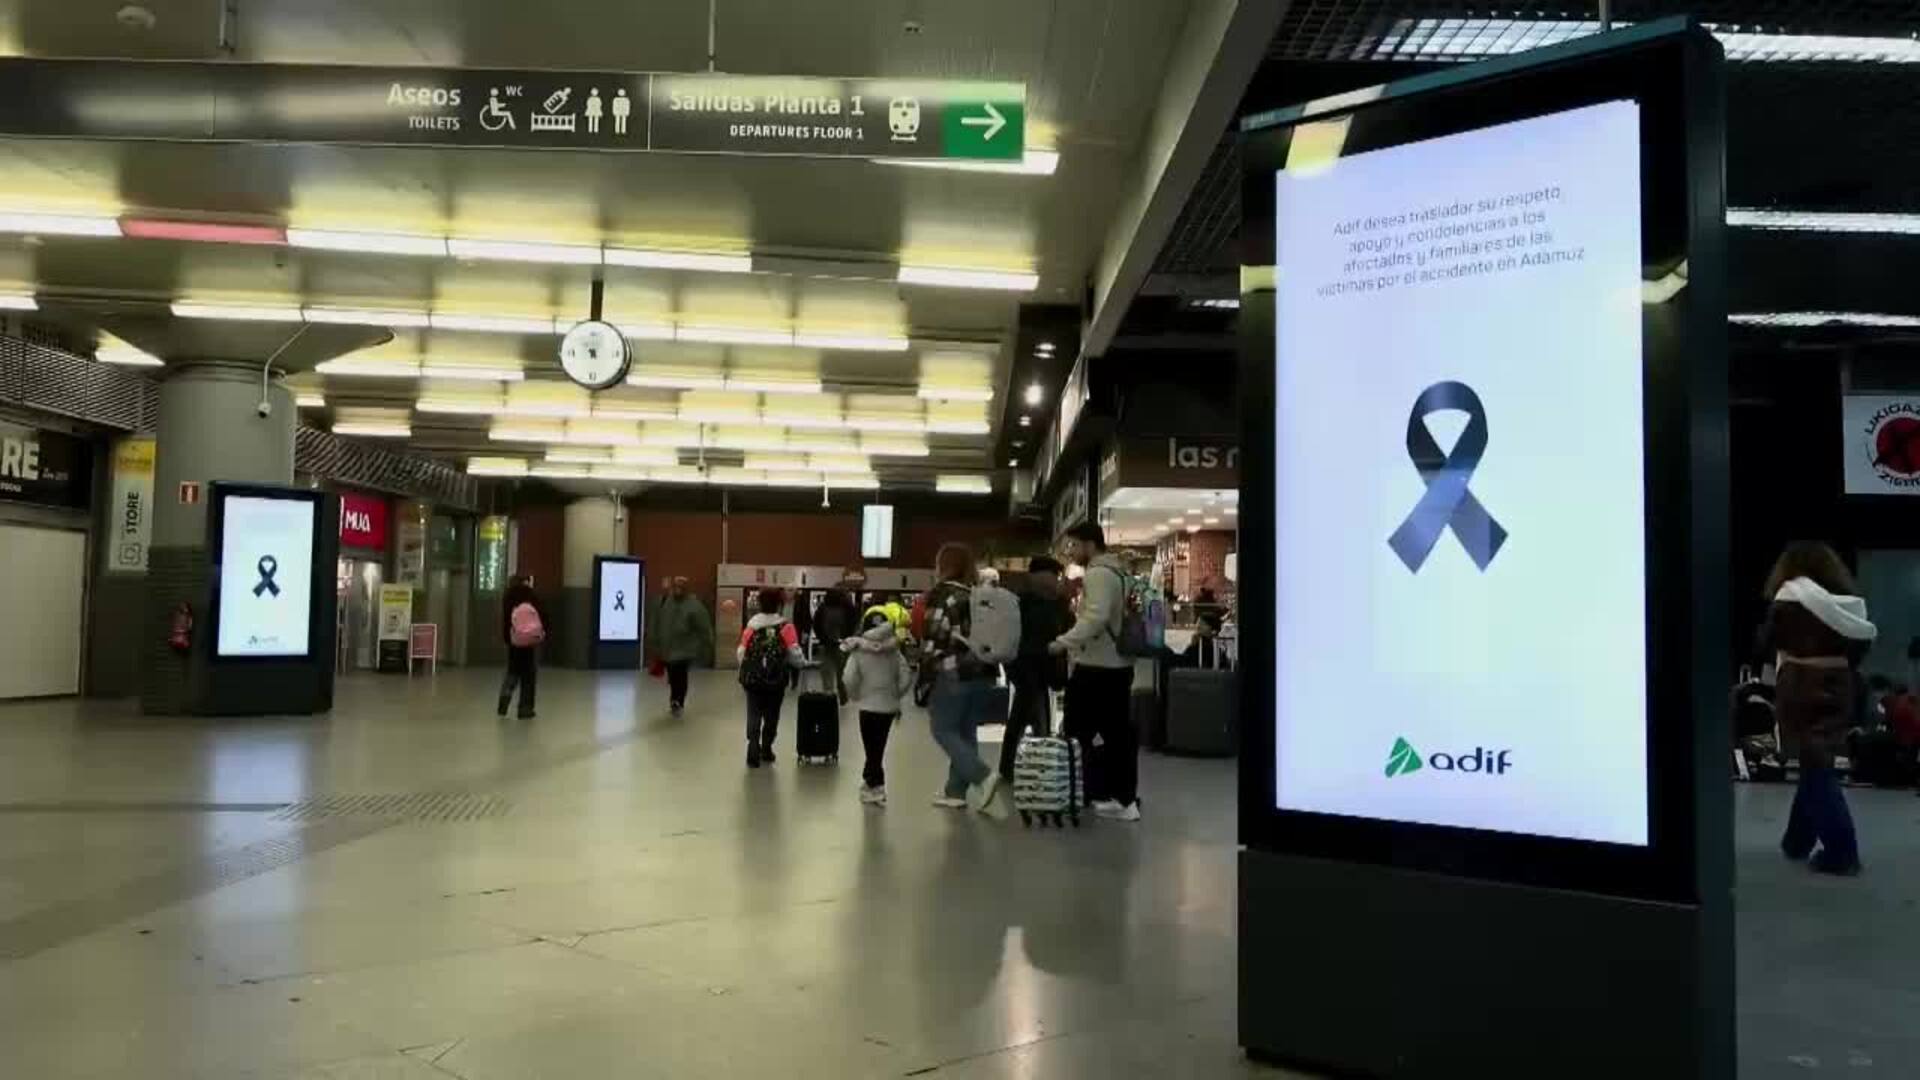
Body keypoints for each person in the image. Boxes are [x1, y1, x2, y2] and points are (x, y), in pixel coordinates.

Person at [1759, 541, 1875, 875]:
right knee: (1816, 758)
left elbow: (1767, 642)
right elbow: (1860, 648)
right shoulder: (1850, 606)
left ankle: (1842, 852)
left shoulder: (1788, 597)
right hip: (1839, 682)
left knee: (1815, 767)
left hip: (1799, 683)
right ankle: (1797, 840)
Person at [1051, 523, 1141, 822]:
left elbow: (1096, 618)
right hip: (1115, 666)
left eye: (1073, 545)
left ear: (1090, 544)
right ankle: (1113, 794)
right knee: (1114, 733)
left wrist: (1063, 642)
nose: (1070, 552)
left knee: (1081, 730)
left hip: (1099, 668)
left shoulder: (1099, 574)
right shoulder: (1119, 571)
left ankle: (1111, 796)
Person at [914, 543, 1003, 812]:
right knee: (966, 730)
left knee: (942, 728)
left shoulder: (944, 595)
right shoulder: (979, 595)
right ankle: (956, 792)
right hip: (985, 672)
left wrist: (925, 674)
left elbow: (934, 637)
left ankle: (983, 776)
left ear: (945, 565)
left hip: (953, 670)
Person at [999, 555, 1070, 781]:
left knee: (1027, 715)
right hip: (1030, 666)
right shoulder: (1036, 602)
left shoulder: (1028, 598)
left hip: (1027, 666)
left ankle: (1020, 765)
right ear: (1043, 576)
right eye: (1055, 575)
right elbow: (1046, 633)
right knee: (1029, 715)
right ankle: (1030, 765)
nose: (1057, 580)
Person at [841, 606, 915, 806]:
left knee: (872, 748)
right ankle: (871, 783)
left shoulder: (858, 651)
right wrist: (896, 694)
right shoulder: (894, 651)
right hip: (888, 707)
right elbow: (906, 676)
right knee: (878, 746)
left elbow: (848, 677)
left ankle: (876, 786)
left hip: (867, 706)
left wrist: (855, 695)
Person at [736, 588, 804, 768]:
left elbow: (741, 652)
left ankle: (753, 745)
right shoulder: (786, 627)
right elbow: (794, 653)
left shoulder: (751, 626)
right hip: (776, 679)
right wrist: (801, 664)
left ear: (759, 604)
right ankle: (766, 748)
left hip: (753, 679)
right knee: (772, 714)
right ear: (779, 604)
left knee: (754, 712)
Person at [652, 576, 713, 715]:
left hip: (686, 649)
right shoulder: (666, 602)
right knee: (673, 676)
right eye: (676, 587)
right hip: (668, 648)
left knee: (680, 674)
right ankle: (675, 699)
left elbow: (704, 627)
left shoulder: (694, 606)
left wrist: (707, 643)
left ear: (686, 589)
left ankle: (678, 701)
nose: (678, 590)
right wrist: (655, 642)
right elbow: (658, 621)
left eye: (681, 587)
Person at [497, 576, 546, 720]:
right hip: (531, 642)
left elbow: (506, 620)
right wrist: (542, 633)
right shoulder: (531, 596)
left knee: (512, 672)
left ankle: (503, 704)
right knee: (529, 676)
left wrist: (508, 638)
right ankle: (525, 709)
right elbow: (543, 615)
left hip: (514, 641)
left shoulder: (509, 597)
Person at [813, 585, 860, 704]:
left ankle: (828, 694)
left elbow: (816, 624)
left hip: (826, 644)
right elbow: (853, 623)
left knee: (827, 672)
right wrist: (847, 638)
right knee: (842, 671)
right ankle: (842, 693)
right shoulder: (848, 607)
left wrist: (821, 639)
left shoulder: (822, 608)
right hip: (842, 644)